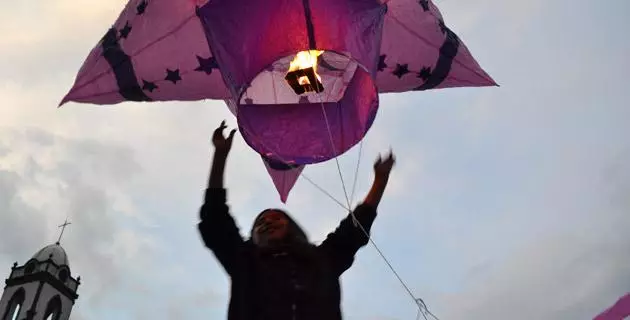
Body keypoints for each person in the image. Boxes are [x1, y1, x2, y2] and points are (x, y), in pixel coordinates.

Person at [198, 121, 395, 320]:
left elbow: (353, 231)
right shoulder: (244, 261)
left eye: (276, 218)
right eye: (261, 222)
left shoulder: (322, 260)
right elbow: (215, 221)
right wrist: (220, 155)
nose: (268, 222)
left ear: (293, 228)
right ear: (253, 237)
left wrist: (380, 180)